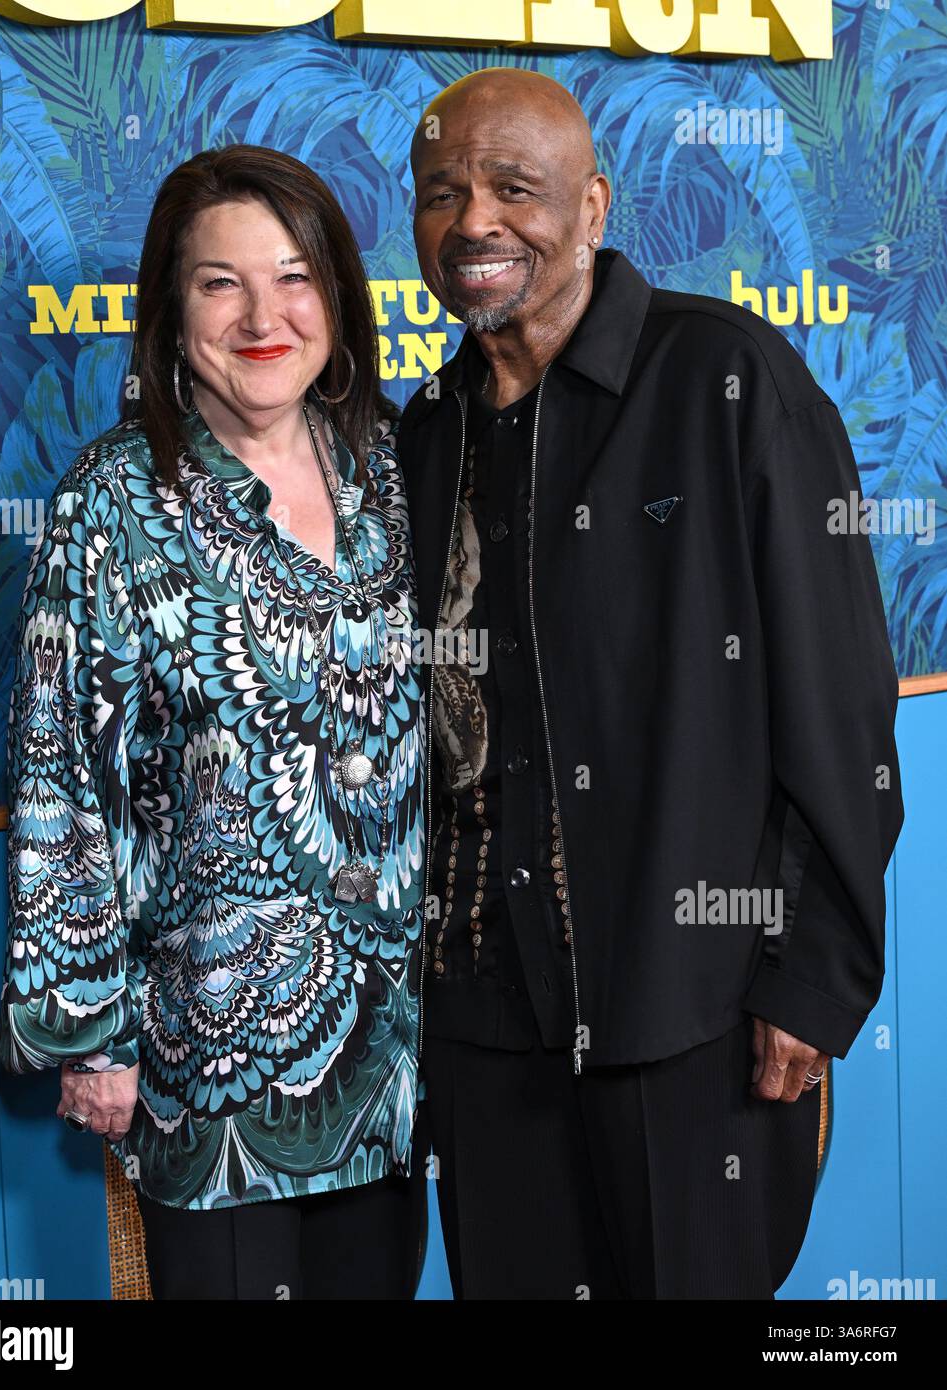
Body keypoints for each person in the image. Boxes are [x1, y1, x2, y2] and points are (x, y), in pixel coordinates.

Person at [397, 68, 905, 1299]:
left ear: (592, 209)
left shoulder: (725, 380)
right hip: (480, 1024)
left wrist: (808, 977)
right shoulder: (428, 430)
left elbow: (840, 701)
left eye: (514, 189)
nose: (473, 222)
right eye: (439, 192)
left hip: (687, 1020)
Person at [0, 145, 426, 1300]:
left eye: (293, 276)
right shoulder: (112, 502)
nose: (262, 316)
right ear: (170, 310)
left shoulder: (394, 472)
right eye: (218, 282)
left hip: (398, 1073)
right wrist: (88, 1034)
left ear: (336, 294)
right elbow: (58, 781)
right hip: (211, 1071)